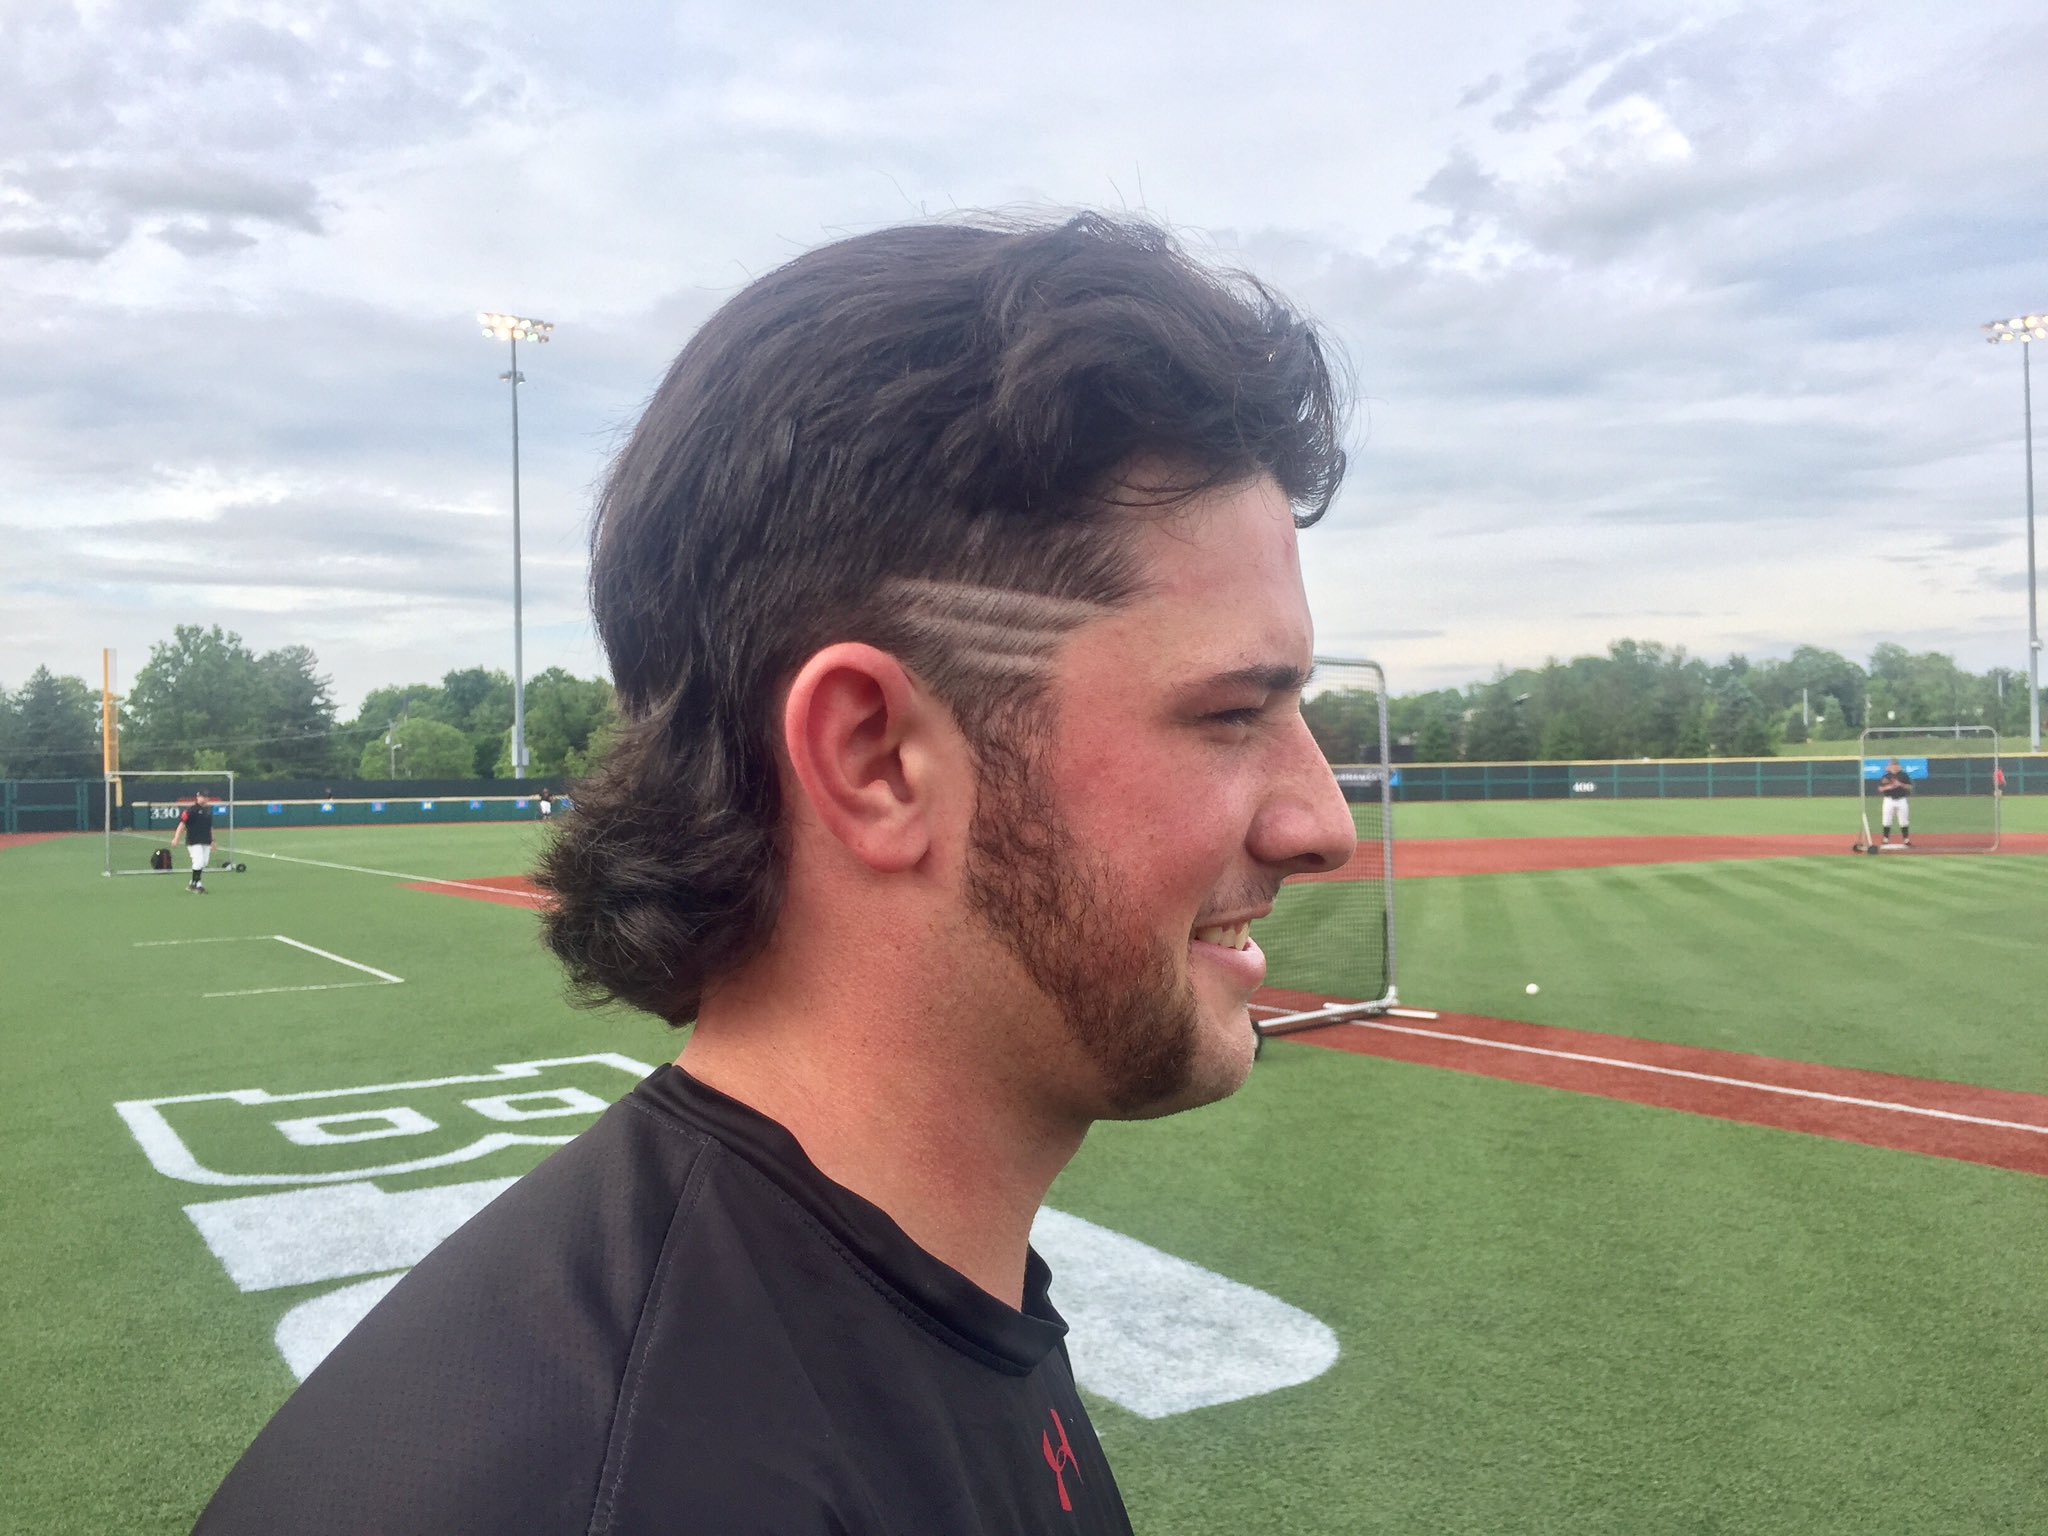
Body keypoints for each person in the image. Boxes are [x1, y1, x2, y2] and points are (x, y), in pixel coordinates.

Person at [193, 214, 1357, 1534]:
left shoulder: (898, 1296)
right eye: (1230, 713)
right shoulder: (610, 1486)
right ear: (873, 759)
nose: (1322, 823)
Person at [167, 790, 215, 893]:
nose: (204, 798)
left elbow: (210, 827)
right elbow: (182, 824)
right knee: (198, 862)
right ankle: (196, 885)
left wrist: (212, 840)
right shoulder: (191, 810)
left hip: (206, 840)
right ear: (197, 797)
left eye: (206, 797)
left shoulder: (208, 810)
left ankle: (194, 883)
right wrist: (176, 838)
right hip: (193, 840)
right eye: (202, 796)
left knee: (204, 863)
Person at [1877, 757, 1913, 847]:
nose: (1893, 766)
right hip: (1889, 800)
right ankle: (1885, 839)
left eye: (1895, 764)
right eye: (1892, 765)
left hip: (1901, 799)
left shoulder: (1903, 775)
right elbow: (1880, 788)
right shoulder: (1886, 776)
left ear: (1897, 765)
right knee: (1886, 819)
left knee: (1904, 820)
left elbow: (1910, 787)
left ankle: (1906, 840)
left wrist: (1900, 784)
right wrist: (1889, 787)